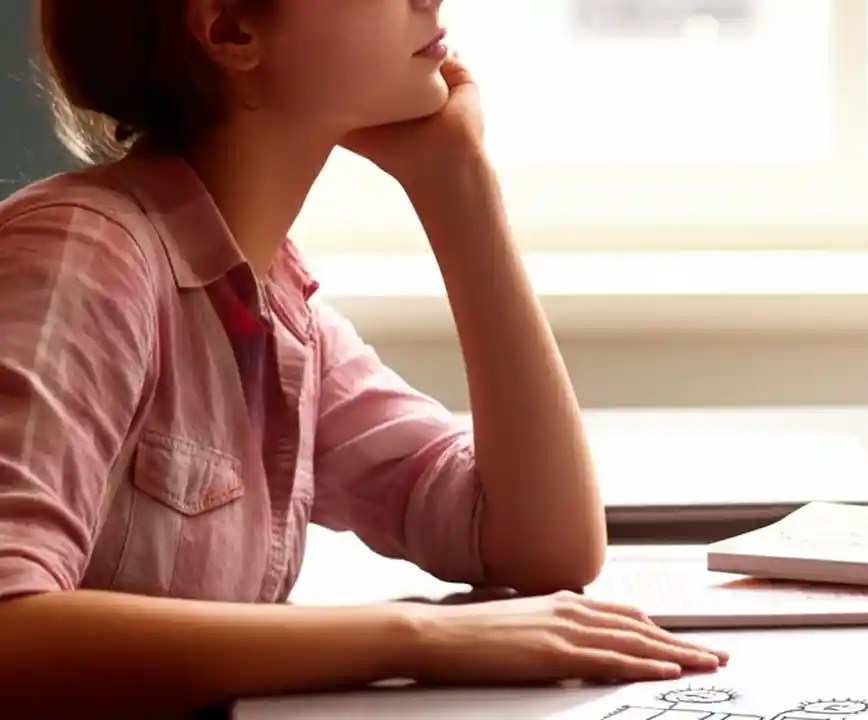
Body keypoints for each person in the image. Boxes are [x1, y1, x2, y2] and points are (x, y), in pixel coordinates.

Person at [0, 0, 728, 716]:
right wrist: (416, 635)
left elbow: (542, 548)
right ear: (231, 27)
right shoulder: (83, 262)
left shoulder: (280, 316)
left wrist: (457, 182)